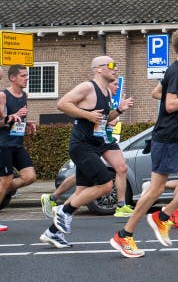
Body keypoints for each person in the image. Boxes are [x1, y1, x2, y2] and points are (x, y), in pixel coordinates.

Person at [109, 28, 178, 258]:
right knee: (155, 189)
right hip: (166, 138)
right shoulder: (176, 72)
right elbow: (169, 105)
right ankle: (124, 235)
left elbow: (158, 92)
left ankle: (163, 216)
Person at [40, 56, 133, 249]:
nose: (114, 68)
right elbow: (62, 104)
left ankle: (52, 233)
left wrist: (120, 110)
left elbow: (105, 120)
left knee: (82, 192)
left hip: (95, 144)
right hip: (82, 145)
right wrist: (87, 115)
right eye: (110, 65)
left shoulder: (106, 92)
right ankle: (62, 211)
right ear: (98, 69)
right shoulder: (87, 87)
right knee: (106, 185)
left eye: (115, 65)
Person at [0, 64, 38, 232]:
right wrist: (11, 118)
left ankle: (2, 187)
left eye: (27, 75)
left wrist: (26, 122)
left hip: (17, 144)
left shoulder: (24, 95)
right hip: (3, 144)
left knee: (30, 176)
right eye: (23, 75)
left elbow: (19, 118)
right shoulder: (3, 95)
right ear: (12, 78)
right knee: (6, 182)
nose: (26, 78)